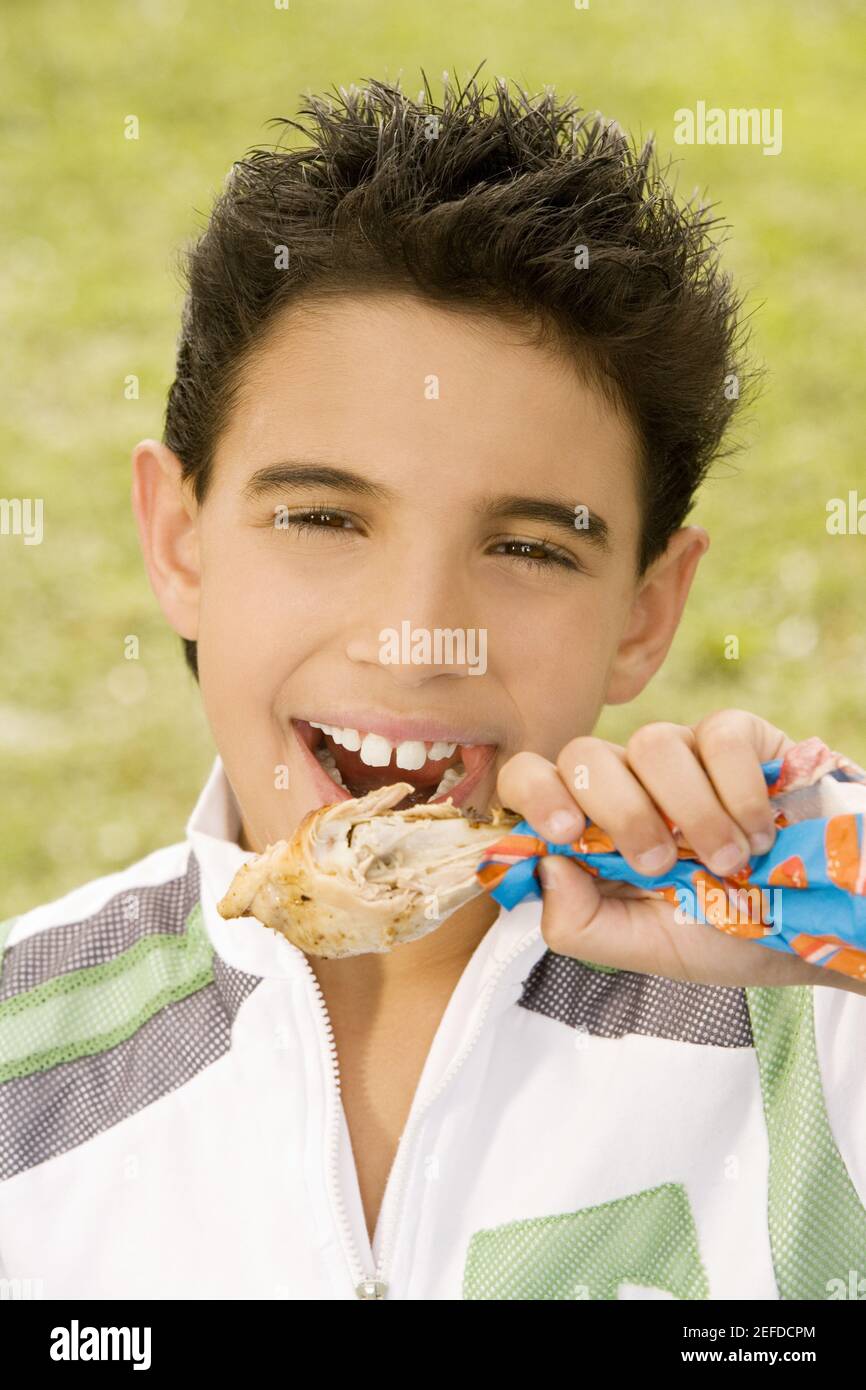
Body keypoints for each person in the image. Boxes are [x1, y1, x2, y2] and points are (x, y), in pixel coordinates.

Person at [1, 72, 864, 1301]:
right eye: (319, 516)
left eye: (525, 549)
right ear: (180, 541)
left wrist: (842, 882)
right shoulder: (21, 1085)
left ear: (644, 611)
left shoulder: (815, 1020)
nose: (416, 643)